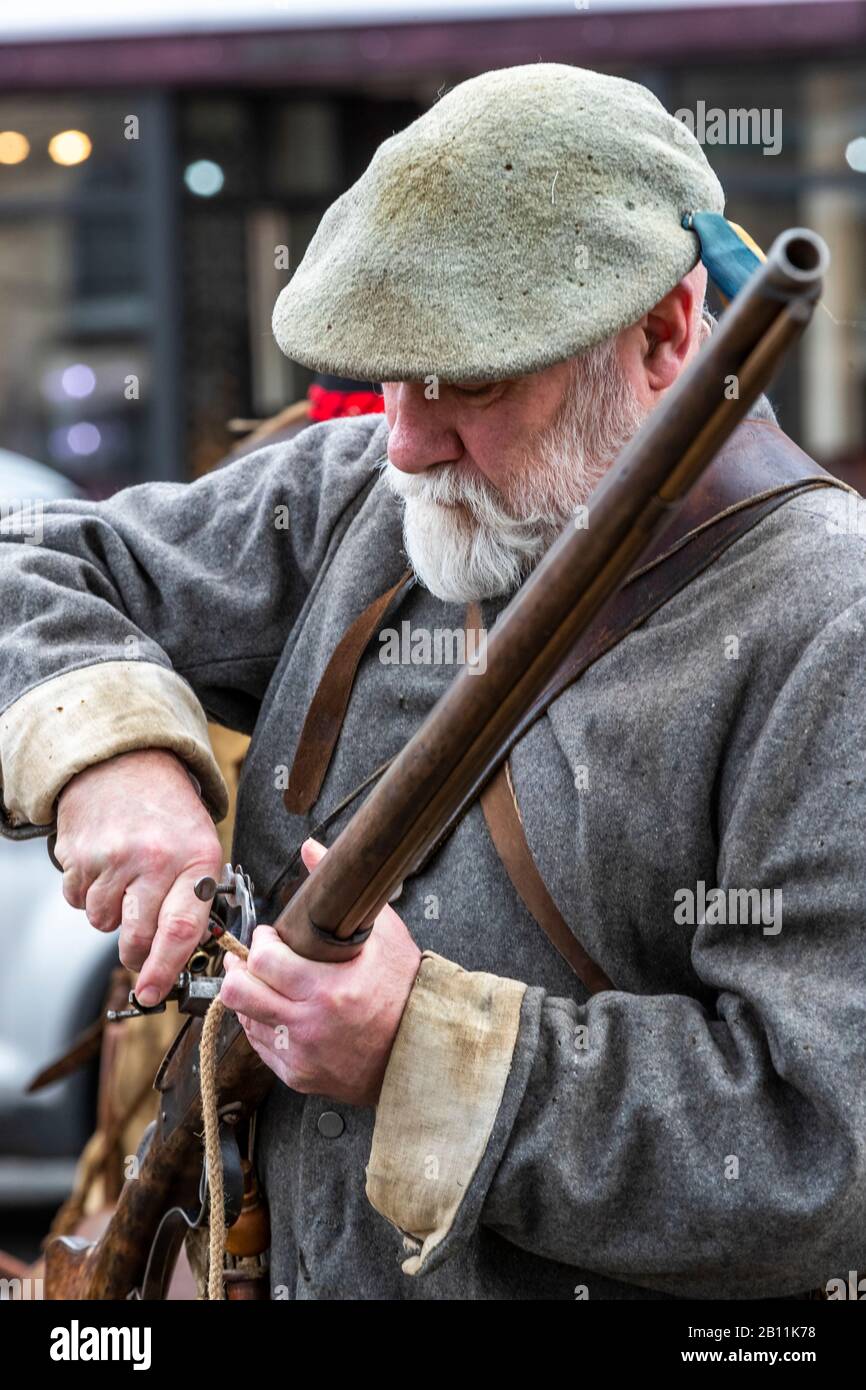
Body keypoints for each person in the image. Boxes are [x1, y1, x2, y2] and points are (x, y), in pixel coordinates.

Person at [2, 63, 865, 1301]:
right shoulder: (363, 487)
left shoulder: (826, 618)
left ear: (665, 335)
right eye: (392, 374)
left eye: (470, 379)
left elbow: (821, 1154)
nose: (402, 438)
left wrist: (423, 1051)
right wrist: (111, 754)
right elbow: (30, 562)